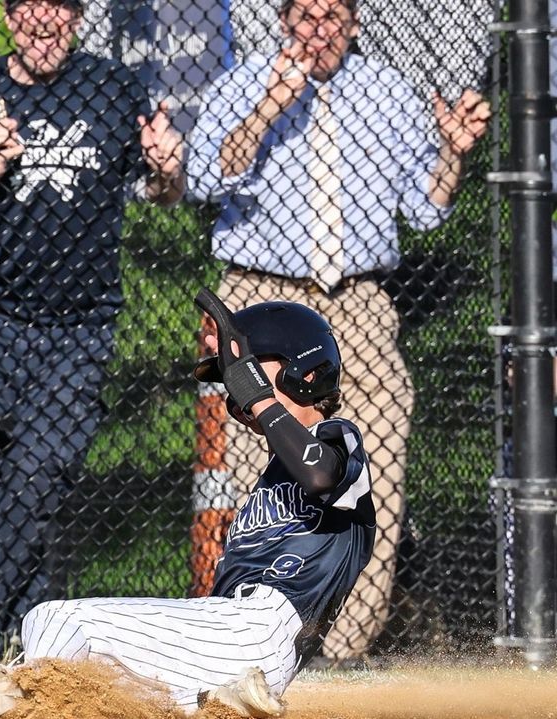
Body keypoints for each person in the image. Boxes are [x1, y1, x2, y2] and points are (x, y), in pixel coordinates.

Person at [184, 0, 490, 663]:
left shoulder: (387, 90)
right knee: (261, 479)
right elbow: (205, 177)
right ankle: (266, 641)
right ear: (284, 21)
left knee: (374, 474)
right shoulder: (243, 82)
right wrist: (270, 107)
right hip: (262, 298)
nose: (317, 31)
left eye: (332, 16)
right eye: (304, 16)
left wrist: (452, 155)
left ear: (353, 22)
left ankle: (342, 655)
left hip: (356, 302)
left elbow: (426, 208)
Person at [0, 299, 375, 719]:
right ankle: (216, 701)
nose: (237, 395)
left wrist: (261, 397)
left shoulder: (339, 440)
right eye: (234, 383)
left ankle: (17, 692)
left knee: (54, 619)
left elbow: (320, 474)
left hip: (258, 626)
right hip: (234, 644)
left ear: (305, 369)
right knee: (114, 683)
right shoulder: (275, 476)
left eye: (249, 373)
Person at [0, 0, 184, 663]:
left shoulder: (112, 85)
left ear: (75, 18)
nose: (45, 25)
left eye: (59, 12)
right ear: (10, 20)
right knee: (12, 489)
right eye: (31, 14)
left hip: (83, 326)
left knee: (38, 474)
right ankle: (28, 650)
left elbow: (159, 194)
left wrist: (165, 168)